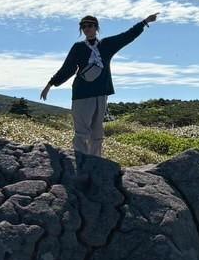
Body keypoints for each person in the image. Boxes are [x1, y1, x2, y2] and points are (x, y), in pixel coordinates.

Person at [41, 12, 159, 157]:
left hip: (101, 93)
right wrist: (50, 84)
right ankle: (81, 161)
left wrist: (145, 21)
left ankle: (95, 162)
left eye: (89, 25)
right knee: (81, 132)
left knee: (97, 131)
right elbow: (68, 68)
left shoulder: (107, 45)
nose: (86, 28)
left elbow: (127, 36)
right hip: (82, 94)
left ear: (96, 27)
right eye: (83, 26)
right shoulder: (78, 47)